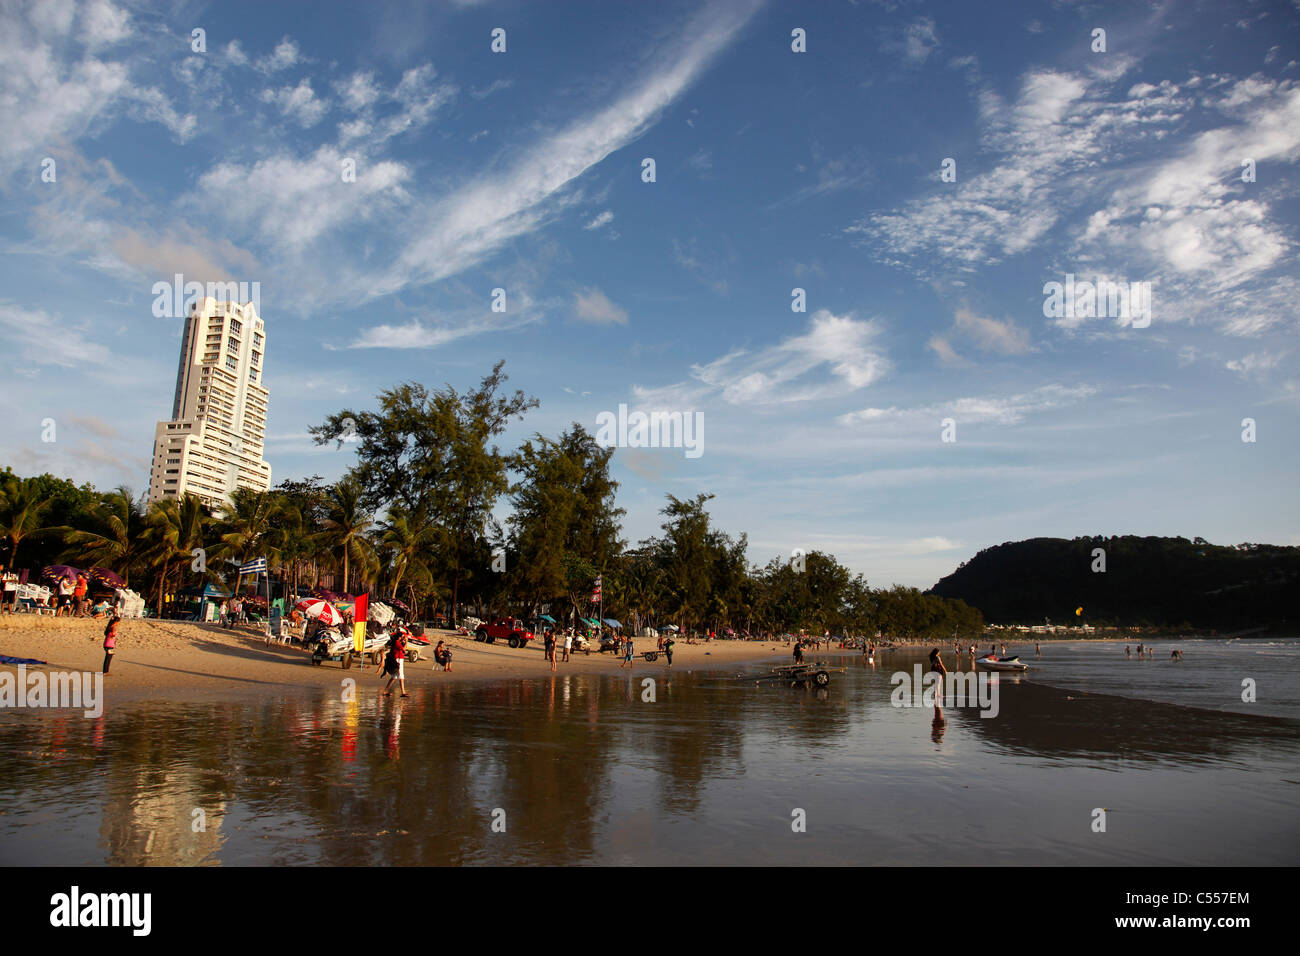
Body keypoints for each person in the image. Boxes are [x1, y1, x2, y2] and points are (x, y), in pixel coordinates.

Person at [383, 629, 409, 697]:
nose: (403, 638)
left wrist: (403, 640)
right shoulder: (397, 643)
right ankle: (403, 692)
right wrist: (406, 642)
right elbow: (404, 650)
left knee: (394, 677)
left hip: (398, 658)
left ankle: (385, 691)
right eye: (402, 637)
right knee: (401, 675)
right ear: (399, 637)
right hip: (399, 659)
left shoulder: (397, 642)